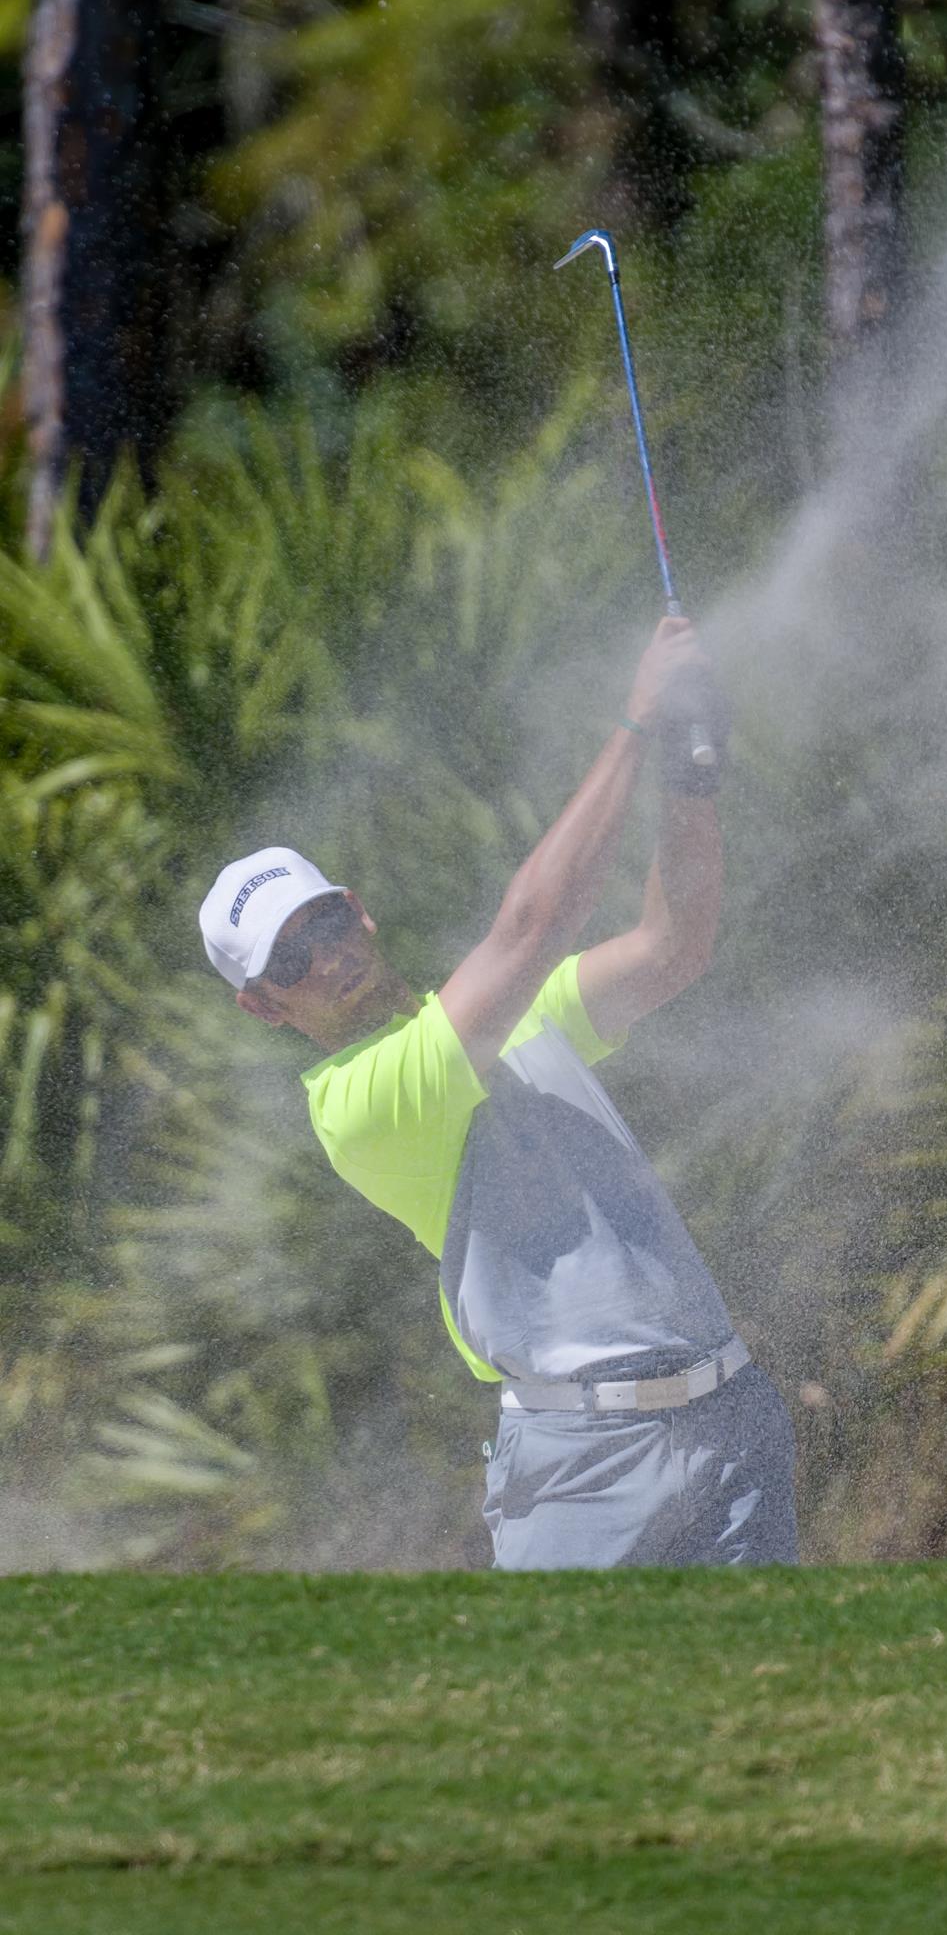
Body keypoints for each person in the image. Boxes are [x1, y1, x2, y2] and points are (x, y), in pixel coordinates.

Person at [198, 617, 797, 1569]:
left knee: (773, 1710)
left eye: (326, 922)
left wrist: (691, 776)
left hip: (731, 1419)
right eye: (294, 959)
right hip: (583, 1466)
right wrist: (637, 725)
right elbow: (533, 925)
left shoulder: (512, 1021)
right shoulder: (358, 1105)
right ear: (265, 1005)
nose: (330, 956)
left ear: (359, 908)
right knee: (574, 1723)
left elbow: (673, 946)